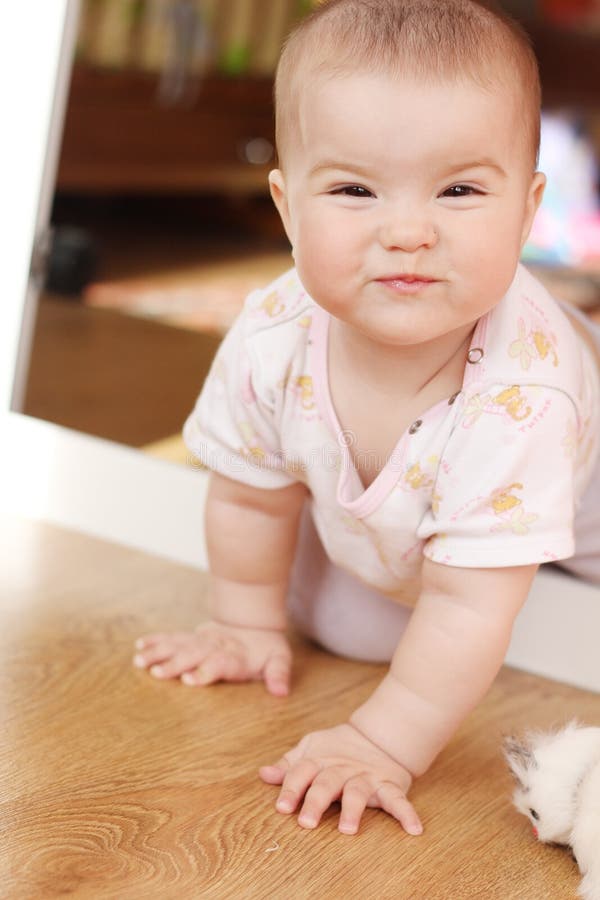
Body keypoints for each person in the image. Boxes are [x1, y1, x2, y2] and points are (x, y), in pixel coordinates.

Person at [133, 0, 600, 837]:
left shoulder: (522, 397)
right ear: (285, 207)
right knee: (337, 615)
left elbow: (466, 610)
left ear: (527, 212)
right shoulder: (274, 331)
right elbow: (248, 491)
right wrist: (243, 622)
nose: (408, 232)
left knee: (432, 626)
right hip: (450, 515)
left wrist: (379, 742)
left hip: (578, 533)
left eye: (459, 190)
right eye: (355, 189)